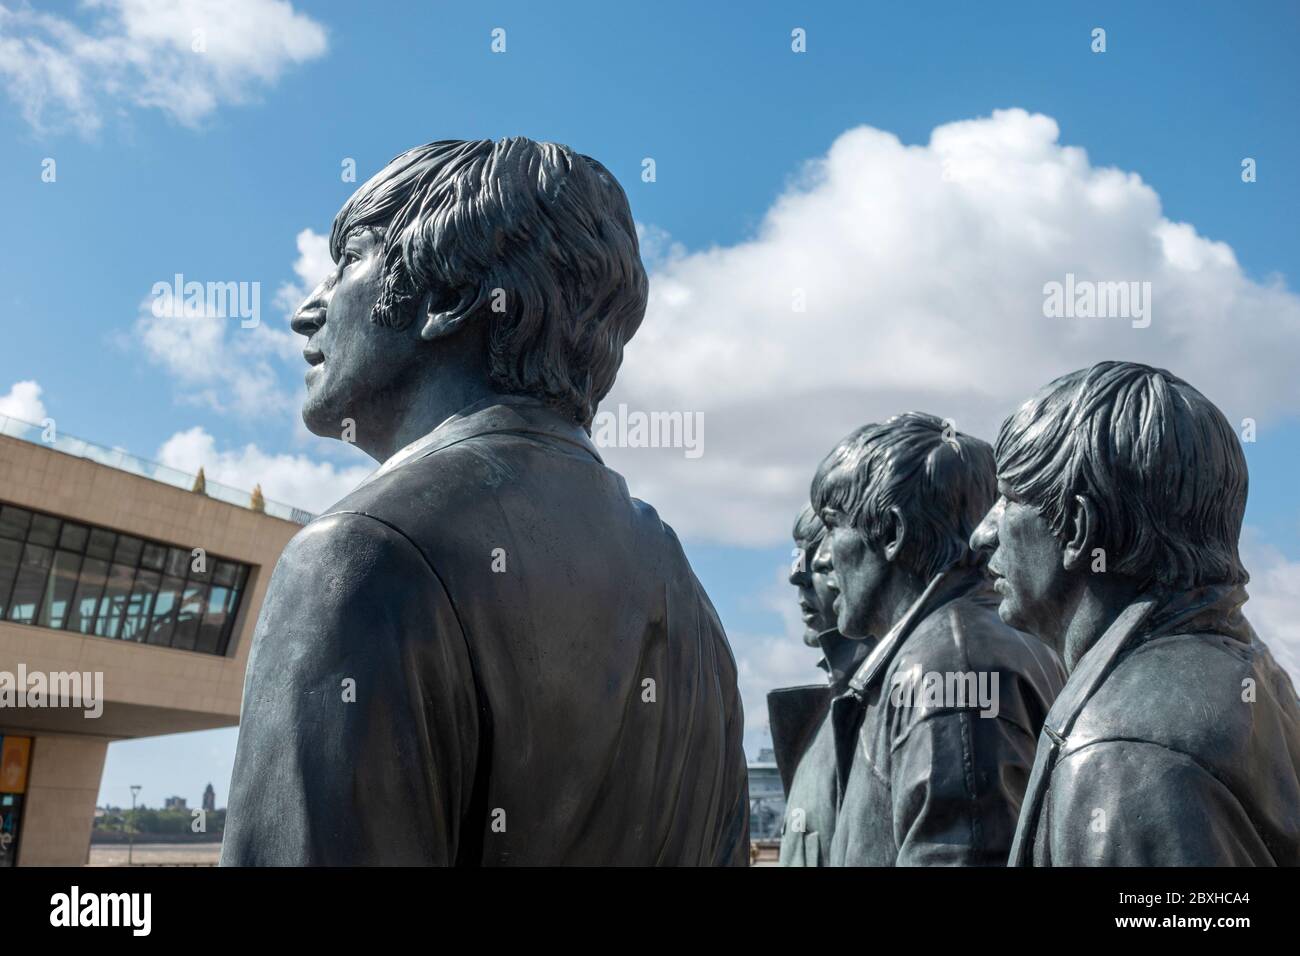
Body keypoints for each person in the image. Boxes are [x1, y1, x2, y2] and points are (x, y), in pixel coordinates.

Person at [221, 139, 749, 866]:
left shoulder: (360, 554)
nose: (307, 310)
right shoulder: (687, 595)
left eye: (349, 261)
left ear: (451, 298)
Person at [971, 361, 1300, 866]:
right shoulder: (1252, 670)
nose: (983, 533)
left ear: (1078, 527)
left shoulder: (1118, 753)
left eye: (1010, 499)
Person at [811, 412, 1064, 865]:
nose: (823, 559)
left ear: (890, 533)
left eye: (832, 526)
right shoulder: (980, 643)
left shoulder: (947, 668)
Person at [769, 505, 871, 865]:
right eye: (798, 559)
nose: (797, 579)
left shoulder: (883, 706)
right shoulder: (833, 715)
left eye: (819, 562)